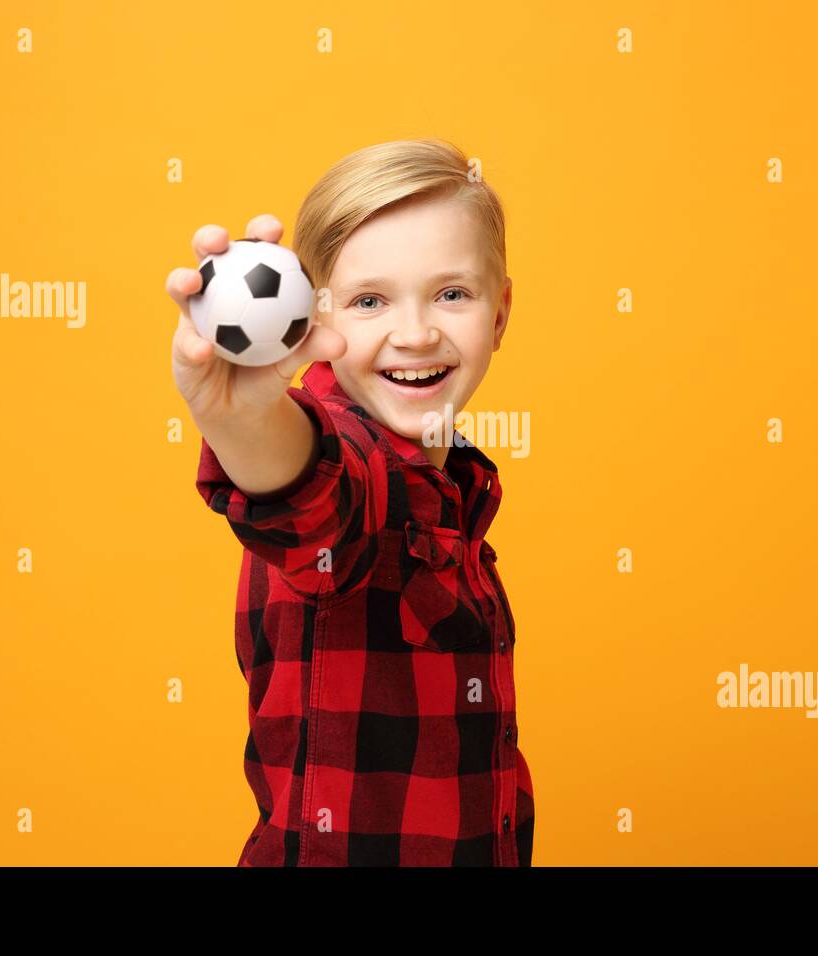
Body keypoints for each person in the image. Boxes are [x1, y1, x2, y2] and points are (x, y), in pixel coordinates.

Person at [166, 139, 532, 865]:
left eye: (452, 294)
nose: (417, 332)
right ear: (309, 321)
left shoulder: (454, 488)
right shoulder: (355, 471)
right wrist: (241, 419)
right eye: (369, 302)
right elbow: (310, 492)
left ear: (500, 313)